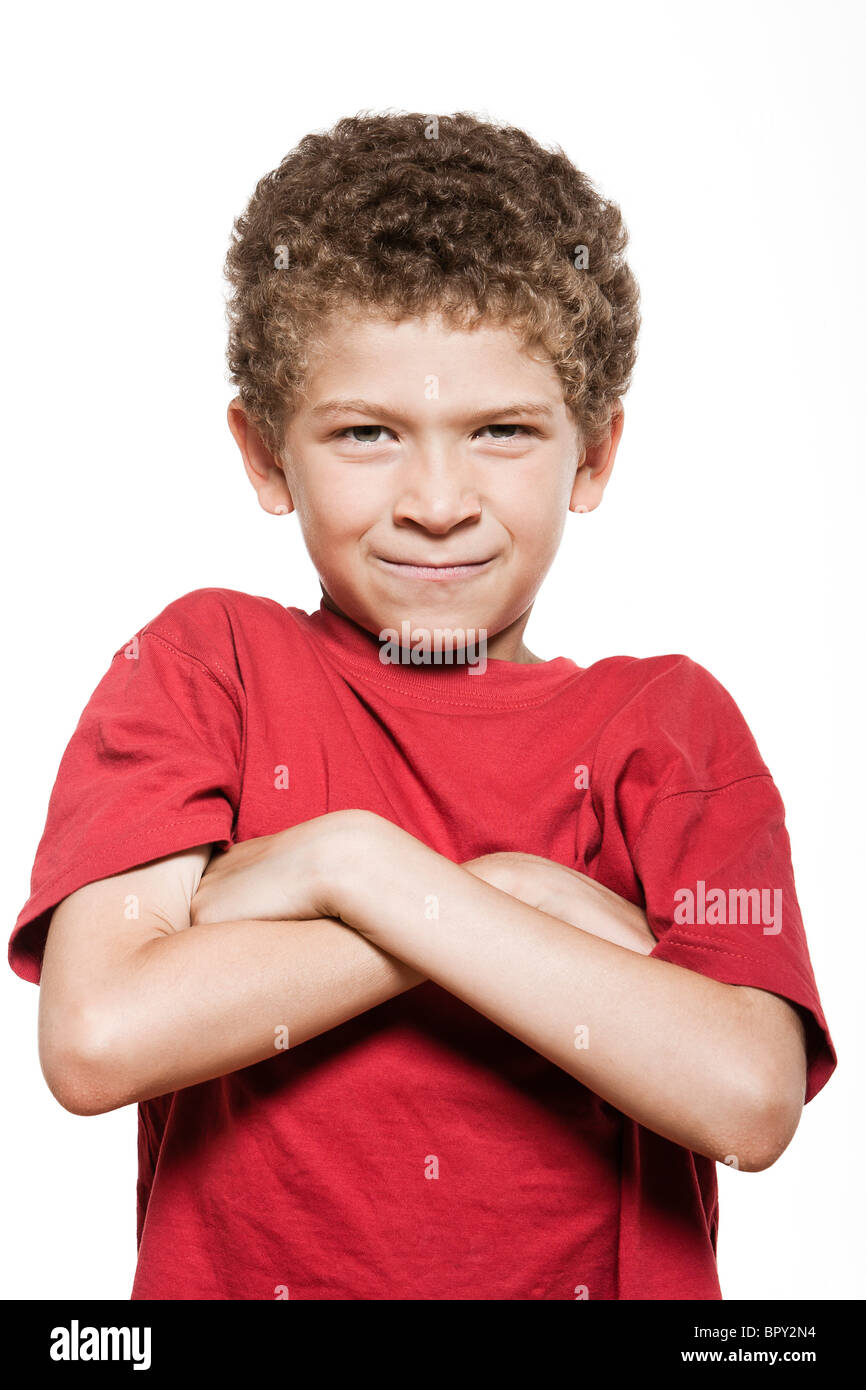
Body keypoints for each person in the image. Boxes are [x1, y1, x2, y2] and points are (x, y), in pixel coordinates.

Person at [9, 111, 836, 1300]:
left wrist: (342, 872)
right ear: (264, 455)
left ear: (593, 455)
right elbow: (98, 1039)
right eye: (366, 434)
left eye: (500, 431)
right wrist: (513, 900)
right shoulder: (204, 667)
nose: (436, 500)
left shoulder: (669, 723)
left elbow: (745, 1096)